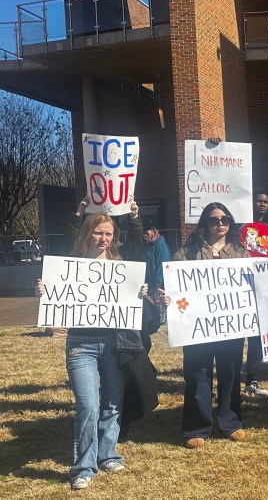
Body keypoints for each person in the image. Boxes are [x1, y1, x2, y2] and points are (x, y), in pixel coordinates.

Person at [36, 212, 149, 490]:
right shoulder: (69, 267)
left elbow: (132, 298)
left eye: (108, 234)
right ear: (88, 232)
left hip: (115, 343)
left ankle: (107, 453)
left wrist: (141, 292)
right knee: (87, 405)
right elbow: (56, 298)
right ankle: (84, 467)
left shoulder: (120, 266)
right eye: (98, 232)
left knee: (112, 404)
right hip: (81, 344)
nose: (103, 238)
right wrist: (44, 292)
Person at [171, 202, 250, 449]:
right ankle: (197, 426)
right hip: (197, 326)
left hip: (230, 325)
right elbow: (174, 285)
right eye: (215, 219)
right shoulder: (187, 252)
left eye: (225, 219)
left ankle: (230, 422)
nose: (220, 223)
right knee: (198, 374)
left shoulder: (240, 252)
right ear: (205, 222)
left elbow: (253, 283)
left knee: (230, 373)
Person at [239, 190, 268, 398]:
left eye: (265, 202)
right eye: (258, 201)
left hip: (261, 288)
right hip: (239, 286)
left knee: (258, 336)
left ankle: (252, 381)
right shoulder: (239, 228)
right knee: (235, 335)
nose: (262, 205)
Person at [139, 224, 171, 354]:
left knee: (159, 302)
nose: (144, 237)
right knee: (152, 303)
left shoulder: (160, 245)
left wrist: (158, 282)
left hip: (158, 282)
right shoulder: (149, 246)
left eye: (146, 234)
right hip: (150, 281)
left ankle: (160, 320)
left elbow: (160, 264)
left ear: (152, 233)